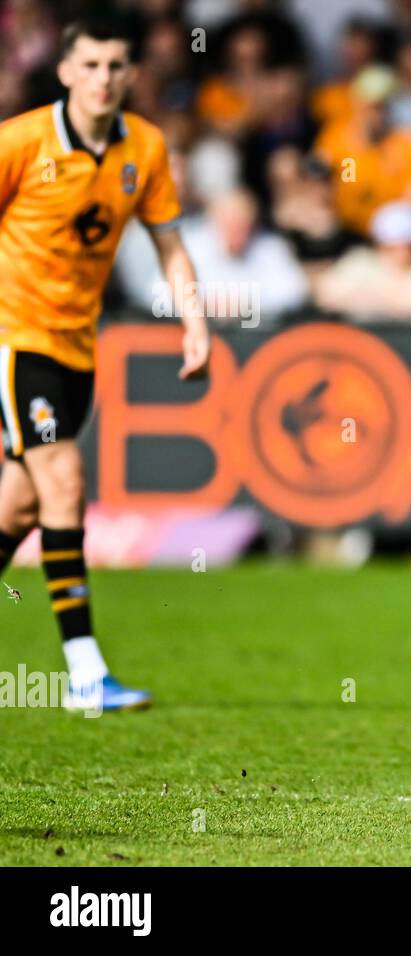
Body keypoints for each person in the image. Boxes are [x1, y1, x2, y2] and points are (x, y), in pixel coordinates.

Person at [0, 18, 211, 712]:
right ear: (64, 71)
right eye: (89, 65)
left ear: (130, 73)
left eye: (116, 65)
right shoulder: (21, 142)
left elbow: (170, 247)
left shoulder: (143, 147)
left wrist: (194, 322)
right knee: (64, 479)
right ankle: (86, 674)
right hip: (15, 339)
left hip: (77, 349)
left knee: (22, 503)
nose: (103, 79)